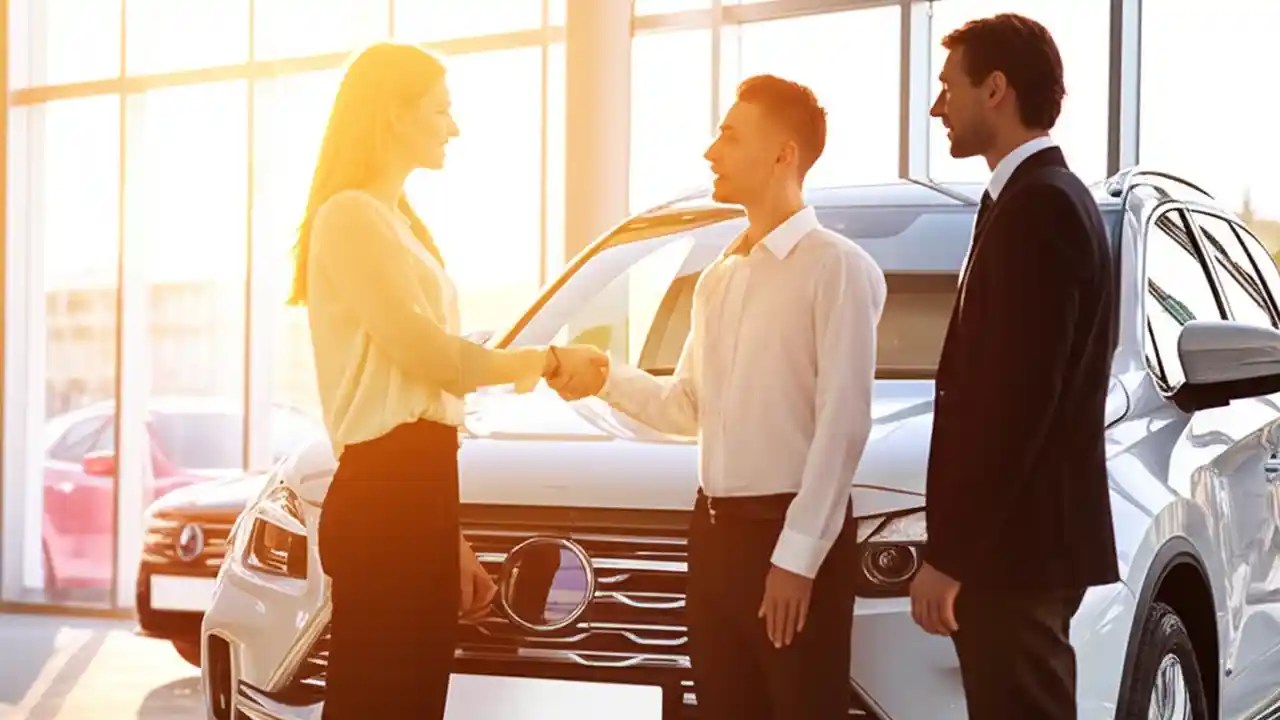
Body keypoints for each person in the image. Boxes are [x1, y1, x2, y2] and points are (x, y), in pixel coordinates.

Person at [548, 74, 885, 719]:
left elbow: (843, 426)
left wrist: (797, 559)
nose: (711, 153)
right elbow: (688, 408)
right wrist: (605, 377)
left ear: (784, 154)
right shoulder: (717, 281)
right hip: (714, 540)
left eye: (730, 136)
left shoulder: (836, 268)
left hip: (787, 538)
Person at [289, 43, 566, 719]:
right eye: (441, 109)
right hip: (386, 496)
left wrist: (450, 539)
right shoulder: (350, 217)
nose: (454, 126)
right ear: (391, 116)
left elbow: (430, 402)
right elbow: (437, 362)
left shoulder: (399, 223)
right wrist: (549, 363)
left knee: (409, 702)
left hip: (419, 492)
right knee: (377, 702)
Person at [908, 13, 1120, 720]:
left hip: (1016, 555)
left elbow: (1016, 404)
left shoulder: (1042, 209)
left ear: (995, 89)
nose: (939, 106)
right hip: (1017, 549)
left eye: (949, 87)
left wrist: (953, 554)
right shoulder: (1026, 201)